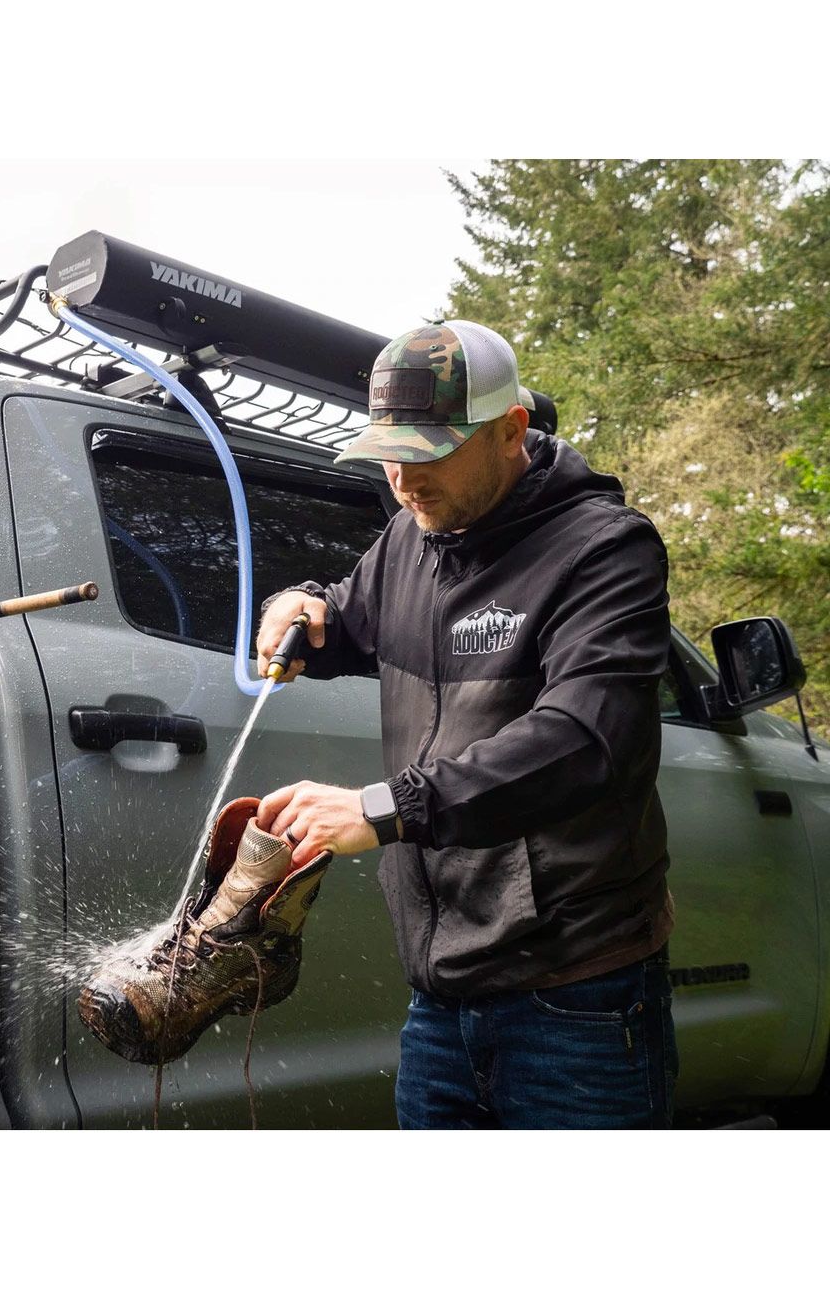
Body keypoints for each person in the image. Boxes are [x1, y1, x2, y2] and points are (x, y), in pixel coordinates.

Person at [255, 320, 678, 1129]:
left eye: (426, 456)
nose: (403, 484)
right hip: (440, 997)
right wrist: (300, 602)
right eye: (389, 456)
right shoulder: (413, 534)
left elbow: (586, 739)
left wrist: (384, 808)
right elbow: (345, 615)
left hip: (575, 996)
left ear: (510, 431)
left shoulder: (603, 550)